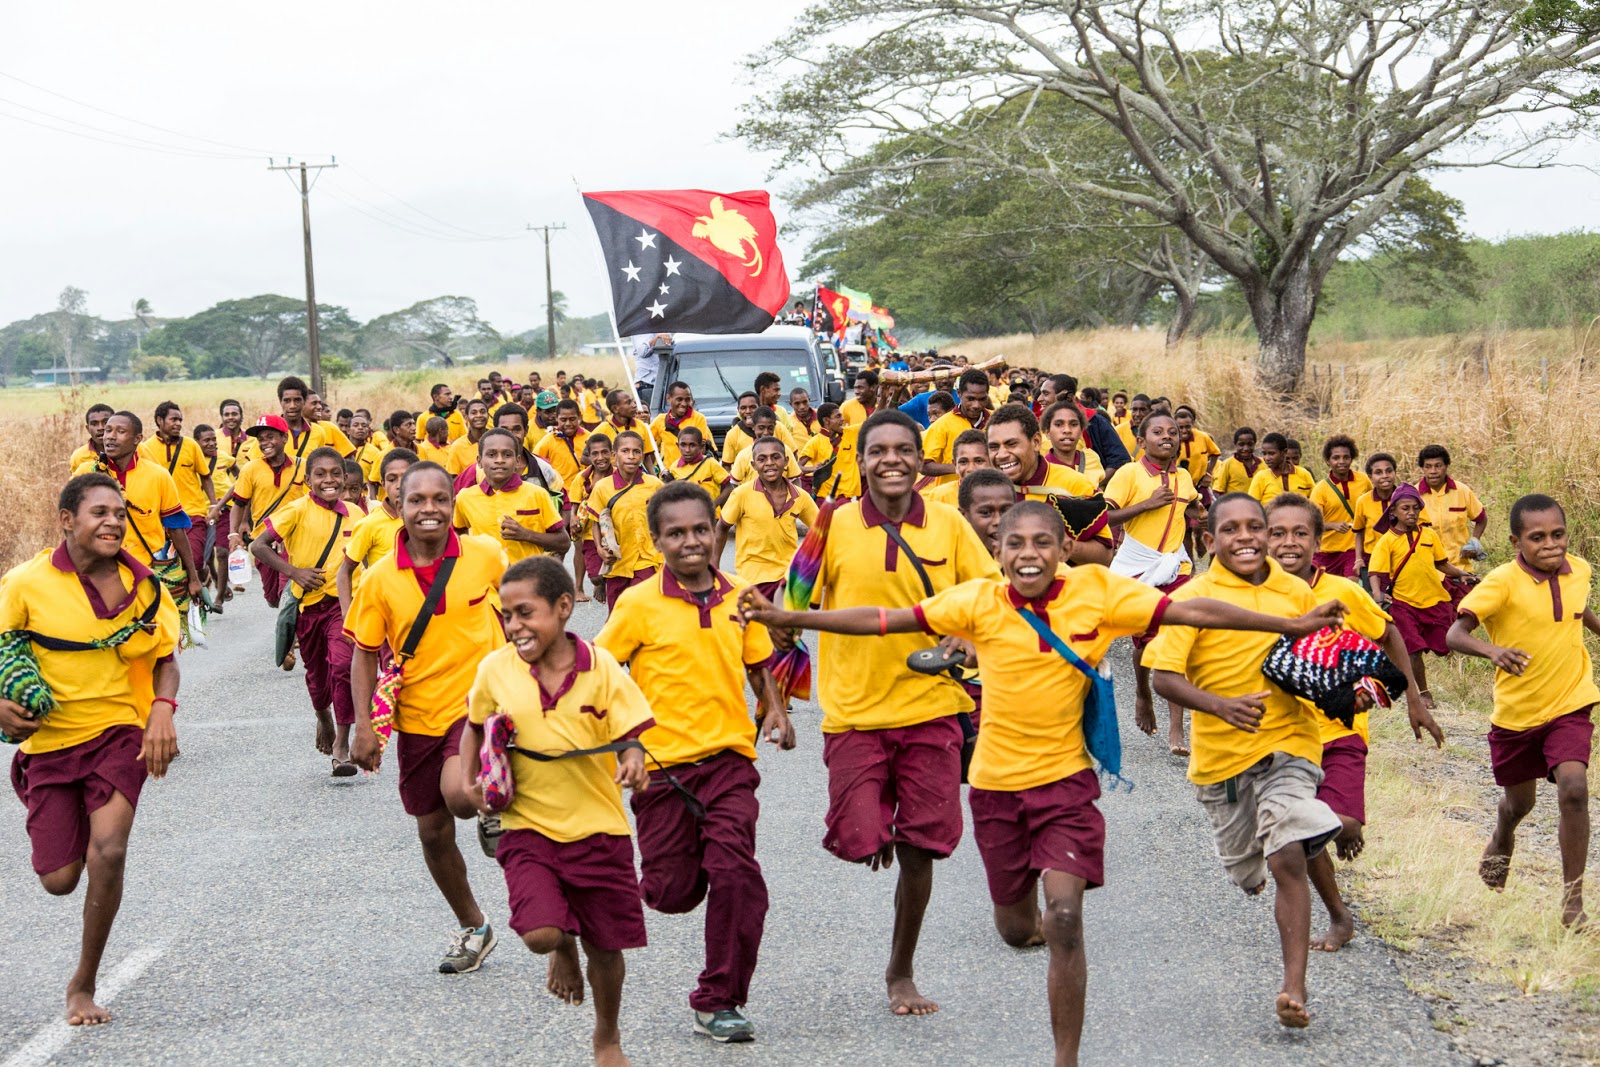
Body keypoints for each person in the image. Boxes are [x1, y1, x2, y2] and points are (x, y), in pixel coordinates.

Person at [742, 500, 1338, 1065]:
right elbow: (881, 621)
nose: (1030, 555)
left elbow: (1193, 609)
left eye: (1044, 543)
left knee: (1066, 919)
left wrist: (1286, 623)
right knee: (1015, 925)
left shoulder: (1096, 592)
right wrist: (789, 615)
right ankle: (1023, 921)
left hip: (1066, 787)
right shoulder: (976, 602)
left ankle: (1065, 1057)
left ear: (1063, 550)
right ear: (997, 552)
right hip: (996, 792)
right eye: (1016, 544)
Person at [774, 409, 1002, 1015]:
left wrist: (967, 640)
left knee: (920, 848)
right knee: (857, 836)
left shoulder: (951, 523)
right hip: (853, 712)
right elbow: (791, 605)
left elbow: (990, 600)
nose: (892, 460)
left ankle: (900, 971)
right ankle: (875, 825)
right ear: (861, 461)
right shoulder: (832, 522)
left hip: (932, 708)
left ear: (920, 458)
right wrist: (779, 695)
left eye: (905, 449)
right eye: (879, 451)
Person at [597, 482, 795, 1043]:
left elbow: (758, 664)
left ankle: (719, 998)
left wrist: (775, 709)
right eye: (676, 533)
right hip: (661, 770)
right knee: (672, 891)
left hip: (729, 760)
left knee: (736, 871)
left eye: (700, 530)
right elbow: (603, 672)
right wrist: (620, 742)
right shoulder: (636, 603)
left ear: (716, 533)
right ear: (656, 540)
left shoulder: (740, 595)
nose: (690, 542)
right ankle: (666, 876)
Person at [1149, 493, 1349, 1030]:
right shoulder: (1192, 597)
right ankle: (1252, 863)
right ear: (1209, 541)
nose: (1247, 537)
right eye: (1231, 529)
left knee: (1287, 854)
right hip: (1221, 763)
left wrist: (1346, 683)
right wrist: (1220, 706)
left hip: (1291, 741)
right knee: (1247, 870)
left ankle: (1294, 987)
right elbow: (1162, 676)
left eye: (1255, 526)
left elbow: (1316, 658)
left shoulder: (1295, 590)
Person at [2, 472, 180, 1027]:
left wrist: (160, 710)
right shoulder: (25, 583)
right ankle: (55, 812)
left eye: (119, 514)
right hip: (51, 743)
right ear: (67, 521)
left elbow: (166, 658)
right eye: (99, 513)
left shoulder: (146, 585)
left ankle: (83, 983)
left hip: (118, 732)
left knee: (110, 850)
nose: (112, 523)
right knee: (60, 880)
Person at [461, 557, 653, 1067]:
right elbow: (475, 725)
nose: (514, 626)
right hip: (527, 823)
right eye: (507, 615)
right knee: (540, 933)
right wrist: (466, 780)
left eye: (526, 612)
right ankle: (561, 945)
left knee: (607, 948)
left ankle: (607, 1034)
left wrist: (632, 759)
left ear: (565, 607)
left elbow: (631, 729)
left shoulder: (601, 665)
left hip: (600, 826)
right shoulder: (495, 668)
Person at [347, 462, 506, 975]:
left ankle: (489, 798)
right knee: (433, 833)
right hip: (416, 715)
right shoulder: (378, 579)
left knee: (460, 798)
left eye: (441, 499)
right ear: (398, 504)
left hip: (477, 706)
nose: (430, 509)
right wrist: (365, 727)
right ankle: (475, 927)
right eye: (418, 500)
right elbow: (365, 654)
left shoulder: (483, 554)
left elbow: (524, 605)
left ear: (453, 506)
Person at [1263, 494, 1441, 952]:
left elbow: (1389, 633)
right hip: (1282, 739)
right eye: (1278, 533)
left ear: (1318, 541)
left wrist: (1413, 699)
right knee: (1305, 835)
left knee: (1337, 825)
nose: (1289, 543)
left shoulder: (1343, 591)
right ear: (1263, 538)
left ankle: (1347, 829)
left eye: (1300, 533)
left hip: (1341, 733)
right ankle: (1339, 918)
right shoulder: (1254, 597)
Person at [1449, 494, 1600, 927]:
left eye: (1558, 534)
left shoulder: (1581, 570)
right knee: (1519, 804)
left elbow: (1578, 610)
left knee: (1573, 789)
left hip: (1571, 701)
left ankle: (1573, 903)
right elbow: (1454, 636)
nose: (1551, 544)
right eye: (1537, 537)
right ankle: (1502, 833)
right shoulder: (1500, 582)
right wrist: (1491, 650)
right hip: (1516, 715)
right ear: (1516, 541)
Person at [251, 447, 365, 771]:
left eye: (335, 474)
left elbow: (371, 558)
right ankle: (322, 715)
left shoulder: (358, 516)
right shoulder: (296, 511)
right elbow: (257, 546)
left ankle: (342, 744)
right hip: (308, 607)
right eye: (320, 474)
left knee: (343, 668)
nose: (328, 480)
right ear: (308, 479)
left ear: (345, 478)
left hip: (344, 606)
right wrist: (294, 572)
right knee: (316, 678)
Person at [1103, 412, 1201, 754]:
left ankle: (1177, 729)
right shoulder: (1130, 474)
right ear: (1141, 441)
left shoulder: (1184, 476)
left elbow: (1193, 509)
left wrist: (1202, 517)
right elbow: (1106, 516)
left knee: (1177, 641)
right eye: (1157, 432)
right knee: (1145, 645)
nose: (1167, 437)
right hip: (1137, 567)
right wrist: (1147, 504)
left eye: (1173, 432)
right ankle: (1143, 693)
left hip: (1177, 568)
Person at [72, 411, 203, 605]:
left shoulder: (158, 476)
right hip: (101, 574)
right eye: (108, 430)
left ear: (137, 439)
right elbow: (71, 525)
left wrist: (193, 577)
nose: (110, 436)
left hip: (148, 574)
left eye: (120, 431)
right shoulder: (85, 474)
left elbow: (175, 527)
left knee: (160, 633)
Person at [1367, 484, 1475, 709]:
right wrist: (1377, 596)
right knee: (1413, 650)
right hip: (1404, 603)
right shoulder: (1386, 541)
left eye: (1416, 508)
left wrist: (1463, 574)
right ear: (1393, 512)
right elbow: (1375, 573)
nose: (1411, 513)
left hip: (1434, 600)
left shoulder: (1428, 535)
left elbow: (1442, 564)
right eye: (1405, 508)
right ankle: (1424, 694)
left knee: (1446, 644)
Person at [716, 438, 820, 600]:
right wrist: (714, 567)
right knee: (757, 623)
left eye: (775, 457)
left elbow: (822, 530)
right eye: (762, 459)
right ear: (753, 465)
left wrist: (812, 566)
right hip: (753, 577)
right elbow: (722, 527)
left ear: (786, 461)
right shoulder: (741, 494)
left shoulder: (801, 497)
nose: (769, 463)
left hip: (789, 576)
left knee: (791, 623)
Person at [453, 429, 570, 562]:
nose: (499, 460)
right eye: (491, 454)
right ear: (479, 461)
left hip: (527, 576)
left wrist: (526, 535)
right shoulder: (465, 498)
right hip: (485, 580)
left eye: (507, 455)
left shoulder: (537, 494)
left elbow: (564, 542)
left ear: (517, 461)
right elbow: (458, 534)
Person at [228, 415, 308, 610]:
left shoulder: (303, 466)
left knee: (288, 593)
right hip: (263, 542)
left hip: (294, 540)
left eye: (270, 437)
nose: (265, 443)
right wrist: (233, 534)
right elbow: (239, 504)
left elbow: (312, 502)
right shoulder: (250, 469)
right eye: (261, 439)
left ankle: (293, 638)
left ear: (284, 438)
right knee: (272, 597)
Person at [583, 431, 663, 609]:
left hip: (648, 558)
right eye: (625, 451)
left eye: (636, 452)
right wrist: (598, 548)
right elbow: (595, 520)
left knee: (640, 607)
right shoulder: (602, 487)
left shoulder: (654, 485)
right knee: (618, 615)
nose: (631, 456)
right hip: (618, 561)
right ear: (614, 456)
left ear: (642, 455)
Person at [338, 447, 415, 620]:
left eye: (406, 477)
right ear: (382, 483)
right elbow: (345, 571)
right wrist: (347, 613)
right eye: (392, 479)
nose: (399, 485)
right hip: (386, 612)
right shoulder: (370, 523)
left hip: (425, 608)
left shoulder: (430, 517)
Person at [1416, 444, 1489, 575]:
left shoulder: (1462, 491)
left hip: (1461, 569)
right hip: (1428, 571)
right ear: (1422, 468)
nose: (1433, 471)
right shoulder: (1414, 496)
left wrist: (1474, 541)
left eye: (1438, 466)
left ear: (1447, 466)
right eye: (1428, 466)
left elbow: (1481, 518)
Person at [1308, 435, 1372, 579]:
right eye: (1336, 458)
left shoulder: (1363, 481)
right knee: (1319, 589)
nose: (1341, 462)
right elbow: (1312, 524)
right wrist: (1332, 525)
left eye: (1346, 457)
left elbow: (1372, 507)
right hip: (1325, 552)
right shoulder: (1320, 490)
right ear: (1328, 461)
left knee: (1350, 586)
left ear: (1352, 458)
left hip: (1353, 551)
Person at [921, 370, 992, 484]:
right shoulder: (943, 424)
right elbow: (924, 465)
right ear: (959, 393)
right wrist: (961, 468)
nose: (976, 405)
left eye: (982, 399)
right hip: (952, 498)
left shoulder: (995, 421)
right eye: (971, 399)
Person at [193, 423, 236, 611]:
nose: (212, 443)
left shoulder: (224, 458)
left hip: (224, 509)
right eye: (206, 440)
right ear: (196, 443)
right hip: (201, 511)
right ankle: (219, 580)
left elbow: (241, 476)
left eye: (213, 440)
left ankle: (218, 598)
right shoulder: (192, 460)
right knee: (206, 557)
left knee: (222, 552)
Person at [569, 434, 614, 605]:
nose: (600, 458)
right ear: (588, 455)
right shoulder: (581, 478)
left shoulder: (618, 475)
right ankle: (599, 584)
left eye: (605, 452)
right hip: (589, 532)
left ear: (612, 453)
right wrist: (573, 518)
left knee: (614, 570)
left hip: (613, 531)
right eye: (595, 454)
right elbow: (575, 504)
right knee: (595, 576)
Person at [728, 409, 803, 484]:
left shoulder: (785, 450)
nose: (766, 432)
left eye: (770, 428)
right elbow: (733, 482)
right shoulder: (744, 455)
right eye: (761, 428)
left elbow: (795, 479)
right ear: (753, 426)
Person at [665, 426, 732, 508]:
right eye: (683, 445)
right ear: (677, 445)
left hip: (711, 516)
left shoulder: (711, 463)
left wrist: (714, 504)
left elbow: (728, 487)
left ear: (701, 446)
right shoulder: (674, 468)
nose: (687, 450)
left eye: (692, 445)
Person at [647, 382, 708, 470]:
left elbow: (702, 448)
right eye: (679, 399)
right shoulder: (660, 420)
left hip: (692, 472)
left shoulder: (699, 418)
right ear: (668, 398)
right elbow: (646, 443)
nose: (683, 404)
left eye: (687, 400)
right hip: (670, 473)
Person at [957, 468, 1017, 555]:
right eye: (986, 513)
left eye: (1006, 512)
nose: (998, 521)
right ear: (962, 516)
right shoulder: (950, 563)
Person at [1042, 401, 1104, 484]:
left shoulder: (1092, 459)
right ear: (1047, 432)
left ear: (1081, 431)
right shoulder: (1042, 469)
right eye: (1059, 424)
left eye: (1074, 424)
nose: (1067, 430)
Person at [925, 430, 991, 507]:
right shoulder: (940, 496)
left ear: (991, 461)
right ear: (955, 465)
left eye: (979, 461)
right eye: (963, 462)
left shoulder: (1001, 493)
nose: (971, 469)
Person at [534, 400, 593, 484]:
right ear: (556, 418)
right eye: (563, 420)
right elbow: (535, 463)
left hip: (586, 492)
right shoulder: (549, 440)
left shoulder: (589, 438)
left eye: (572, 419)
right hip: (563, 494)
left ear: (579, 416)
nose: (568, 423)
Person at [1248, 432, 1316, 504]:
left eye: (1271, 453)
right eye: (1264, 454)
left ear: (1284, 452)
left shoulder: (1303, 474)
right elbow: (1252, 505)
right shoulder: (1261, 477)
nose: (1266, 458)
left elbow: (1315, 500)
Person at [603, 390, 658, 474]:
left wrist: (653, 477)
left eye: (633, 401)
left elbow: (647, 456)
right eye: (628, 403)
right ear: (615, 408)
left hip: (637, 476)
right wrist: (610, 465)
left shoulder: (641, 426)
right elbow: (586, 456)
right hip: (613, 477)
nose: (634, 405)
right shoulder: (603, 429)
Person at [445, 399, 492, 476]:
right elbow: (452, 477)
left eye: (482, 412)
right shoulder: (457, 446)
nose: (479, 415)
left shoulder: (496, 440)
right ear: (466, 418)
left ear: (488, 416)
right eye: (474, 413)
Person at [1211, 427, 1261, 495]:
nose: (1246, 448)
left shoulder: (1263, 464)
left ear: (1255, 443)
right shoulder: (1227, 464)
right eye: (1241, 444)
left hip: (1258, 505)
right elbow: (1218, 491)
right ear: (1235, 444)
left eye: (1250, 444)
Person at [68, 403, 114, 470]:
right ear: (88, 428)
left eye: (105, 422)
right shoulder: (79, 457)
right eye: (94, 424)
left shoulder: (128, 453)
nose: (100, 428)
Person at [1114, 395, 1151, 459]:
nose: (1138, 414)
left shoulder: (1157, 432)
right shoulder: (1118, 430)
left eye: (1142, 410)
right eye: (1134, 410)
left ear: (1150, 411)